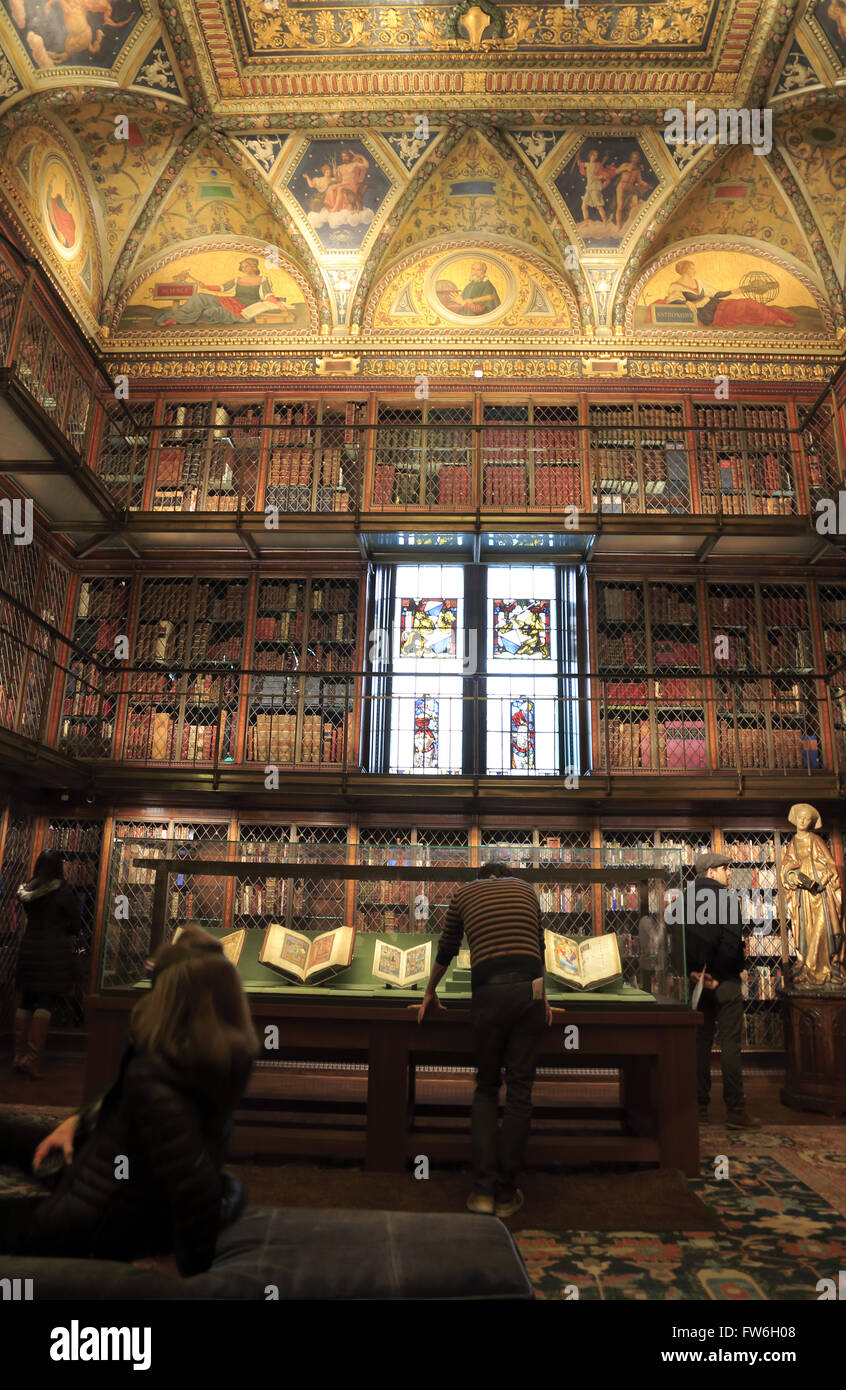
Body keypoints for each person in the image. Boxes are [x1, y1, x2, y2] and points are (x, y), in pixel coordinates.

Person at [0, 927, 259, 1277]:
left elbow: (194, 1187)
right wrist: (75, 1123)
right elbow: (132, 1109)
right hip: (104, 1179)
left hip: (92, 1222)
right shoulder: (214, 1057)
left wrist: (182, 1264)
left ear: (167, 998)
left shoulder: (156, 1074)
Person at [416, 861, 553, 1218]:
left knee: (487, 1087)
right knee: (521, 1089)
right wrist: (544, 1000)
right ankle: (507, 1194)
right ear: (504, 874)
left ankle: (481, 1193)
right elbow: (537, 949)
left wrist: (430, 991)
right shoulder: (528, 889)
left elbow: (447, 948)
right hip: (529, 993)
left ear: (482, 877)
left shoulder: (463, 893)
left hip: (488, 993)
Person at [684, 851, 761, 1130]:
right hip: (725, 983)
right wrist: (716, 976)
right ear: (710, 872)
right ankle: (735, 1111)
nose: (730, 872)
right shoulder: (727, 899)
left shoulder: (684, 900)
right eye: (725, 868)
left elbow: (678, 943)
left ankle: (699, 1108)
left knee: (700, 1044)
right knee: (730, 1044)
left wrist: (693, 972)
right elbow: (730, 943)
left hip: (696, 984)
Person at [13, 848, 82, 1079]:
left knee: (26, 1000)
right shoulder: (63, 891)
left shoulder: (28, 890)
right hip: (53, 952)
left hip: (30, 948)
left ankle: (18, 1055)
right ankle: (31, 1059)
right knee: (45, 1001)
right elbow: (75, 924)